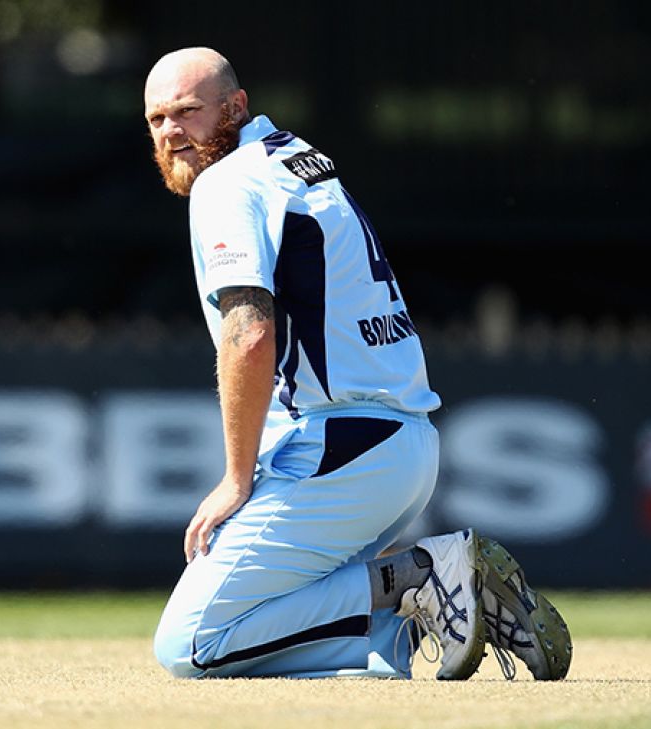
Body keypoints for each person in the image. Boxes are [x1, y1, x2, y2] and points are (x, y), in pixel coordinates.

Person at [145, 47, 571, 681]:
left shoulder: (225, 181)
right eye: (156, 119)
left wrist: (237, 477)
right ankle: (399, 625)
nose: (172, 132)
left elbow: (250, 335)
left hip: (338, 446)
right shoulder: (291, 157)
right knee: (270, 615)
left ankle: (422, 576)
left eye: (188, 111)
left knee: (190, 644)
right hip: (394, 445)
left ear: (235, 107)